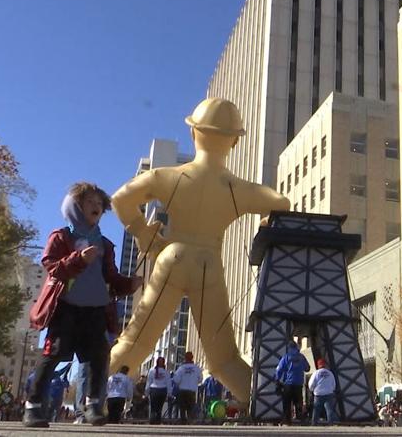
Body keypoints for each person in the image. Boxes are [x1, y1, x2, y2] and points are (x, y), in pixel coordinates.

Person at [108, 98, 290, 404]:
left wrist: (142, 231)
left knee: (135, 342)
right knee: (223, 358)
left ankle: (91, 394)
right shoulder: (237, 189)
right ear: (233, 141)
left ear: (195, 134)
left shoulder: (167, 176)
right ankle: (263, 404)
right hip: (209, 265)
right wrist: (267, 221)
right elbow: (281, 203)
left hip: (171, 258)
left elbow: (121, 199)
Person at [23, 183, 141, 428]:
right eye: (89, 202)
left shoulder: (105, 244)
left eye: (99, 203)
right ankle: (33, 407)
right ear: (76, 206)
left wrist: (129, 284)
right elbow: (51, 266)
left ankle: (93, 405)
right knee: (52, 355)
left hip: (96, 310)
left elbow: (110, 277)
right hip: (66, 307)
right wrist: (77, 259)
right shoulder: (61, 236)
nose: (96, 206)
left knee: (98, 357)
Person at [275, 341, 309, 424]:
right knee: (298, 402)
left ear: (289, 348)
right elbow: (307, 368)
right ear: (296, 347)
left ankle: (287, 420)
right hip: (298, 384)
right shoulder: (301, 357)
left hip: (288, 384)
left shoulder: (286, 357)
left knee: (286, 402)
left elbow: (279, 369)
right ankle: (300, 419)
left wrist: (277, 380)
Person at [174, 352, 203, 424]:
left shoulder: (181, 368)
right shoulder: (197, 368)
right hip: (192, 391)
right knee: (190, 407)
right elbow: (200, 379)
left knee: (182, 408)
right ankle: (190, 421)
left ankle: (183, 421)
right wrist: (194, 382)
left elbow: (176, 380)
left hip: (182, 390)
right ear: (192, 357)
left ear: (185, 358)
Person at [308, 358, 337, 425]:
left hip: (318, 394)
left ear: (318, 365)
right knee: (329, 410)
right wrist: (331, 390)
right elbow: (334, 384)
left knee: (316, 410)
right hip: (329, 393)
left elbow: (311, 384)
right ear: (325, 365)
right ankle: (330, 423)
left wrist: (312, 390)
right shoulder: (330, 373)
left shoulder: (316, 373)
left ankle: (314, 423)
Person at [146, 357, 171, 424]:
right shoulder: (166, 372)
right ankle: (158, 421)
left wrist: (146, 392)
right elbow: (168, 383)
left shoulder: (152, 371)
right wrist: (169, 393)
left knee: (153, 407)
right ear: (163, 363)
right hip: (162, 390)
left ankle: (152, 420)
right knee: (159, 407)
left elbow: (149, 382)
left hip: (154, 390)